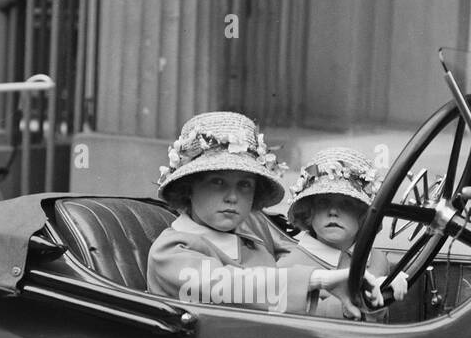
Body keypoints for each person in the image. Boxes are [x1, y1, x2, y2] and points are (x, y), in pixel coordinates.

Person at [147, 112, 369, 315]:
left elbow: (285, 308)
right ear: (188, 188)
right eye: (217, 182)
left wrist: (362, 302)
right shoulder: (170, 251)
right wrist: (316, 279)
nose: (232, 197)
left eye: (244, 185)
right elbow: (230, 286)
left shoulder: (253, 245)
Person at [285, 147, 408, 319]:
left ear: (363, 214)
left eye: (347, 203)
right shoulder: (290, 265)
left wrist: (389, 287)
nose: (333, 211)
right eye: (323, 201)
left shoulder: (377, 259)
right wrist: (359, 299)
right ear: (308, 212)